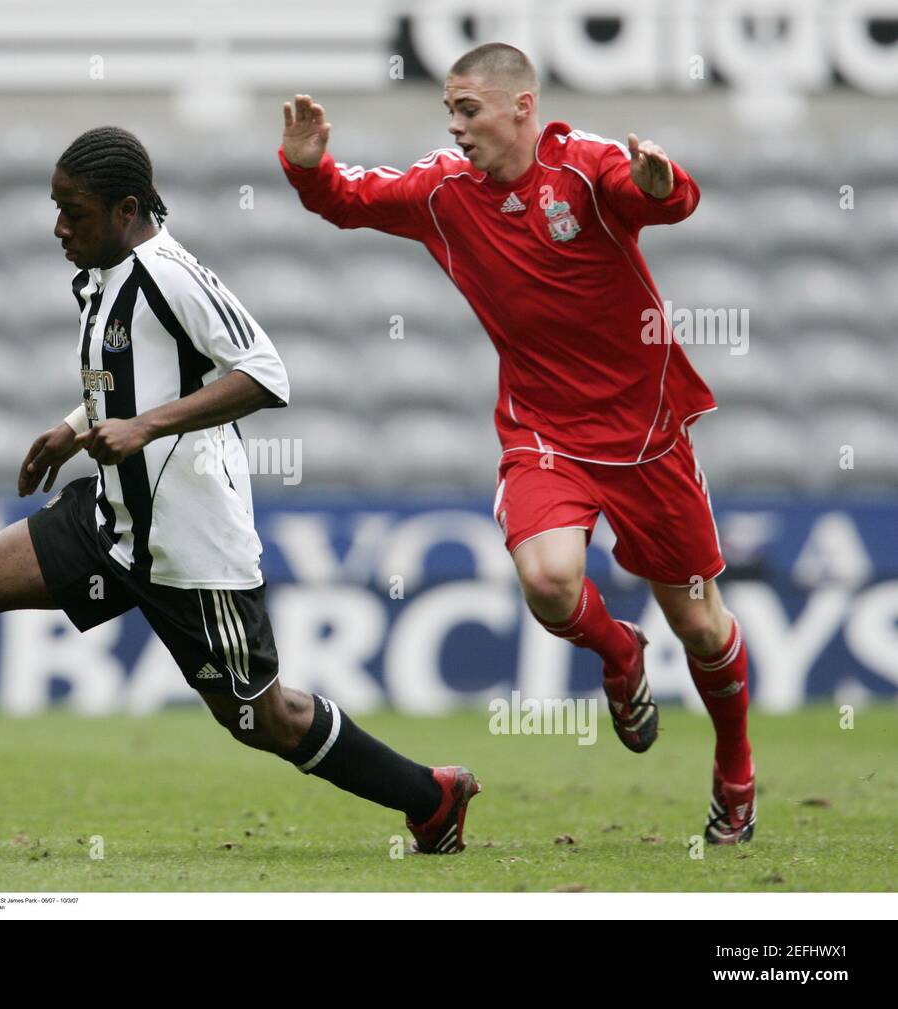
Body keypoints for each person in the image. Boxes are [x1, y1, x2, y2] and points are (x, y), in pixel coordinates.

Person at [0, 126, 480, 854]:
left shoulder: (168, 273)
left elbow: (266, 373)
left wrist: (146, 428)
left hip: (189, 545)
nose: (59, 227)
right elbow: (137, 373)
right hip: (115, 518)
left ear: (125, 210)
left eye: (74, 212)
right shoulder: (104, 270)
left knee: (262, 718)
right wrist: (72, 426)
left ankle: (430, 796)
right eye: (55, 208)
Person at [279, 42, 755, 844]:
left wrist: (662, 184)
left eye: (468, 110)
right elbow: (350, 200)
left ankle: (736, 772)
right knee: (547, 578)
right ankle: (618, 651)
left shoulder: (587, 166)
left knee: (703, 627)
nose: (456, 127)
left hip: (646, 436)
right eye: (449, 113)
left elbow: (659, 200)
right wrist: (307, 169)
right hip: (544, 433)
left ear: (521, 107)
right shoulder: (442, 190)